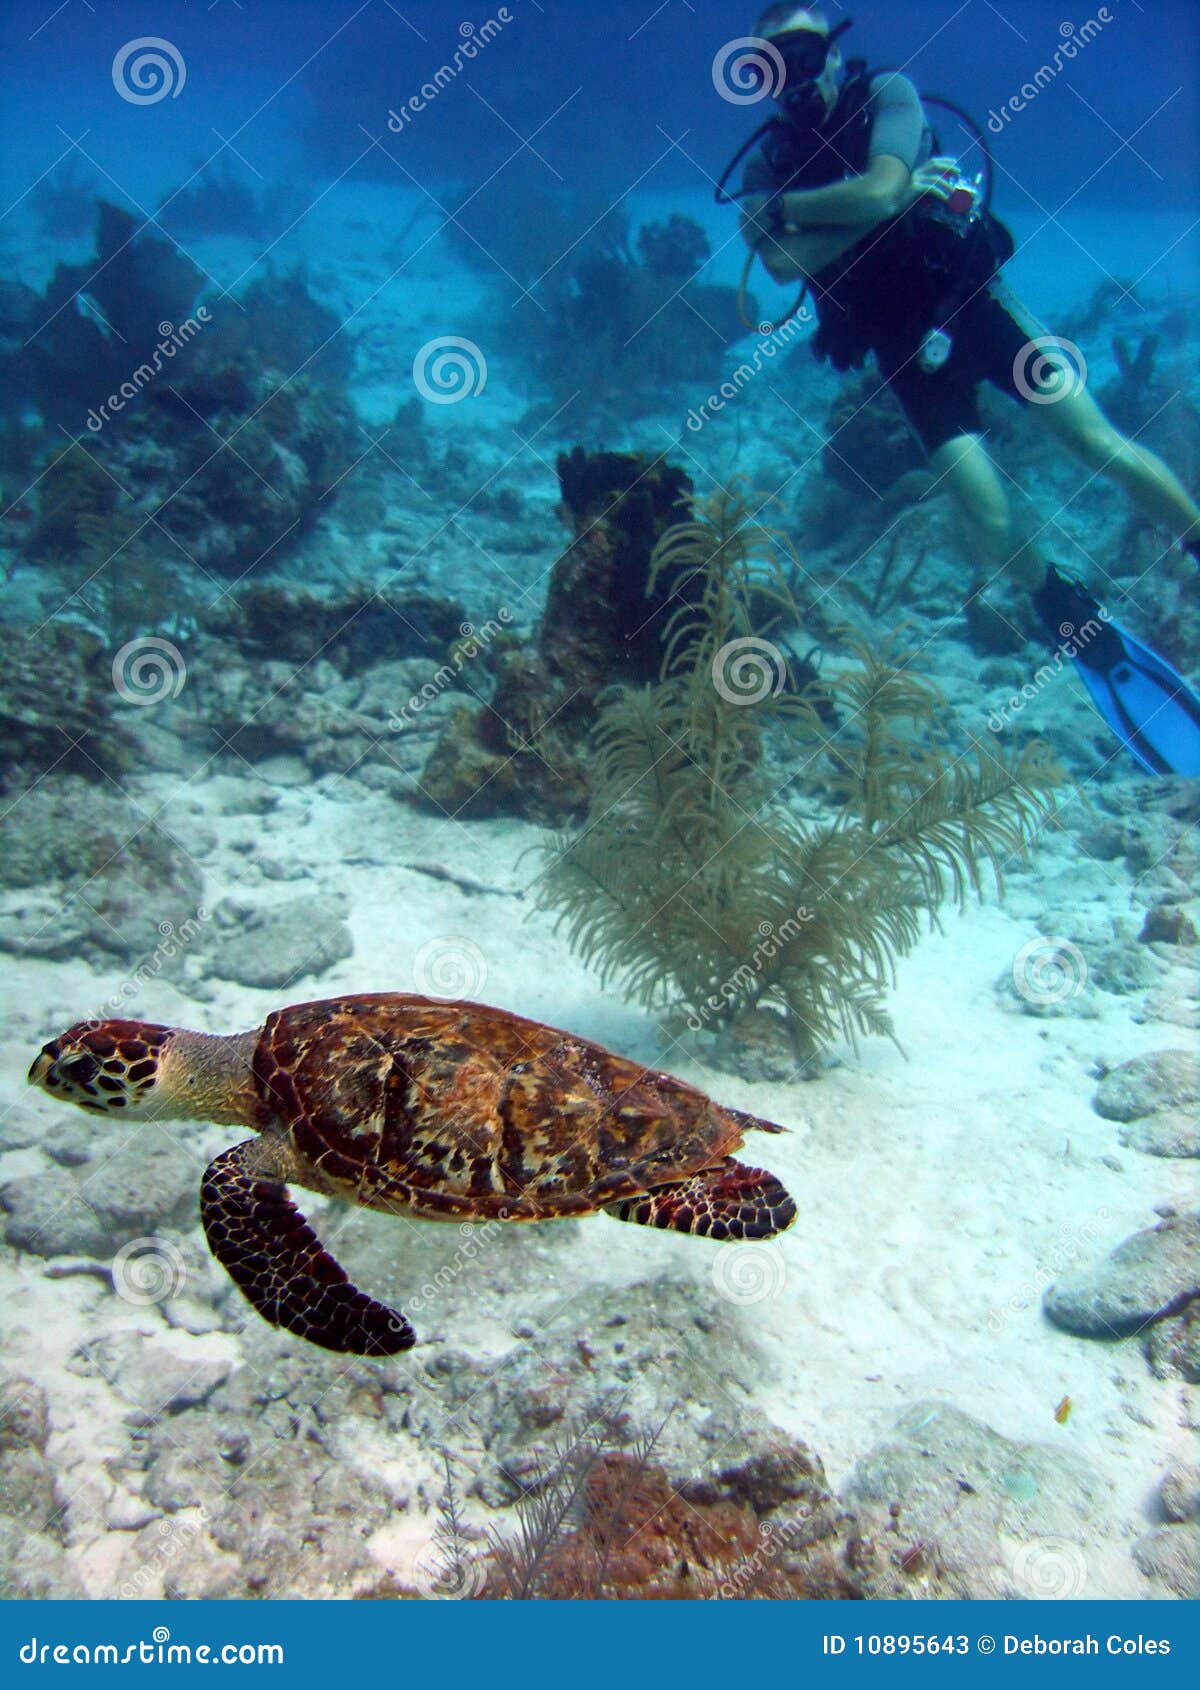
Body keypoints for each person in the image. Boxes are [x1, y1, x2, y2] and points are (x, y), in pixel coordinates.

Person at [730, 5, 1200, 775]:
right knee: (982, 512)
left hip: (976, 306)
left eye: (806, 51)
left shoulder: (889, 96)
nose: (797, 72)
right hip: (902, 344)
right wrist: (870, 201)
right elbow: (782, 261)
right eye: (775, 62)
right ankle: (1063, 605)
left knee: (1094, 442)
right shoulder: (768, 160)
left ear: (830, 52)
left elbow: (868, 196)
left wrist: (804, 214)